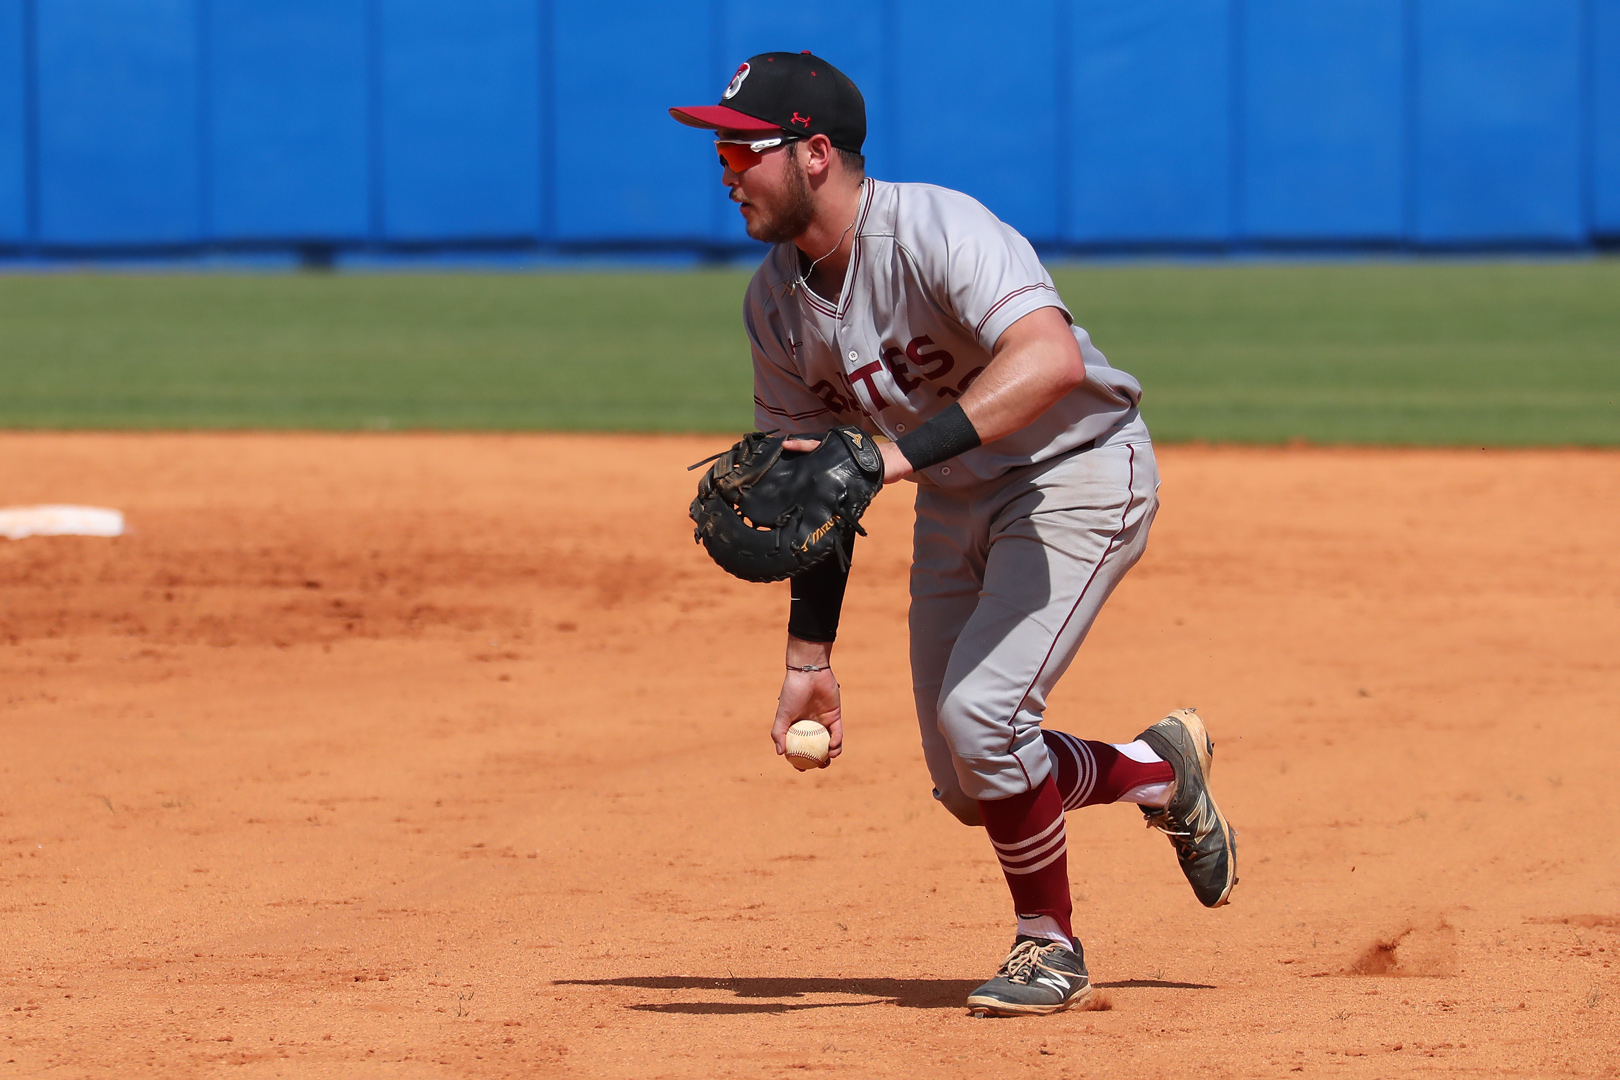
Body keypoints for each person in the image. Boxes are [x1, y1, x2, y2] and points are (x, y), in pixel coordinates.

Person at [671, 51, 1236, 1018]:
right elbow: (817, 490)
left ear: (813, 154)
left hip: (1079, 470)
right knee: (973, 783)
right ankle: (1156, 769)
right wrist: (811, 652)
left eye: (741, 148)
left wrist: (887, 460)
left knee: (983, 725)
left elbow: (1049, 359)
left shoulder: (937, 227)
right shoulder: (773, 302)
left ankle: (1048, 948)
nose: (724, 169)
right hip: (957, 499)